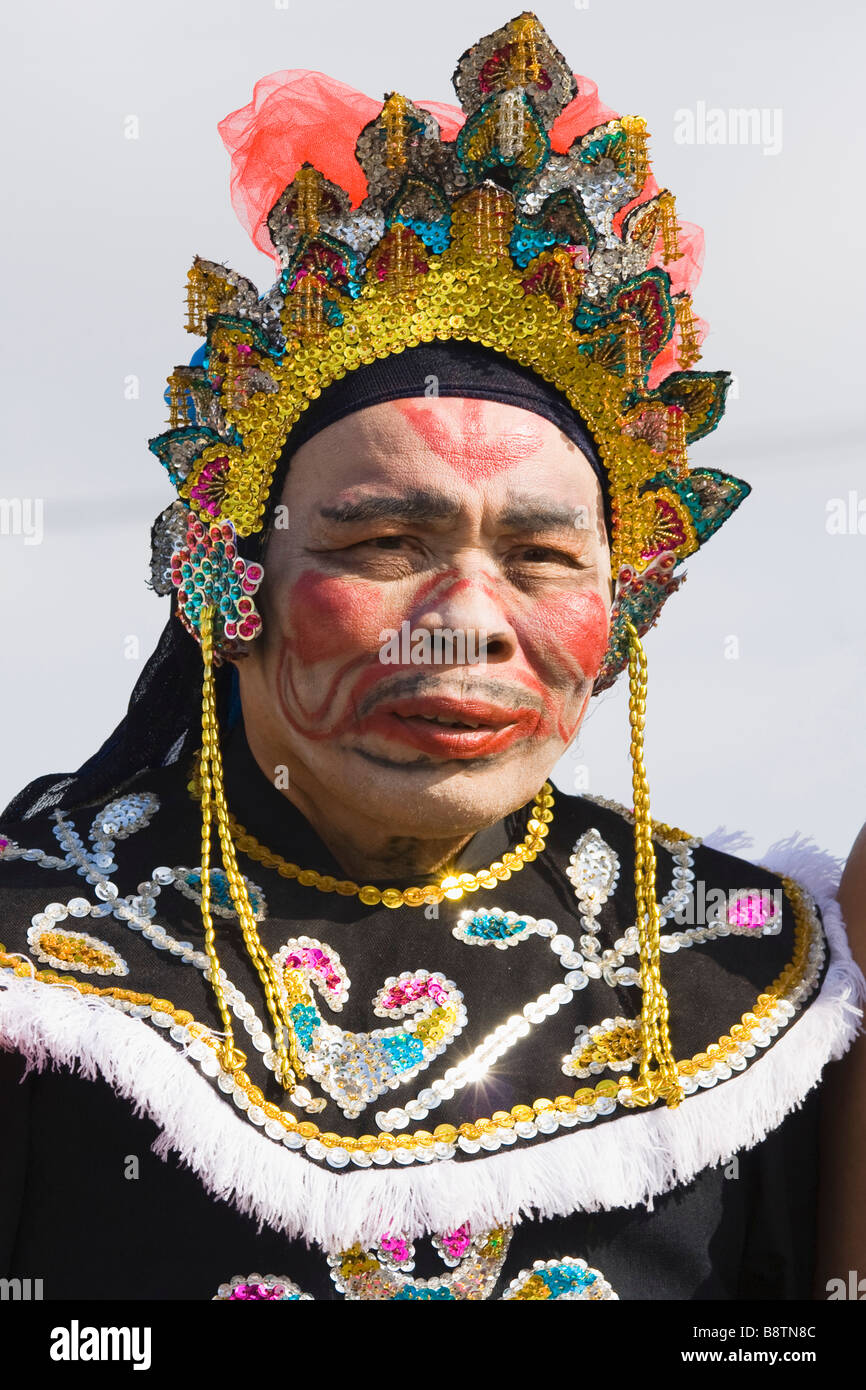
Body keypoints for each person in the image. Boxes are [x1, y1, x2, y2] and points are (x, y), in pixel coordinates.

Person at [0, 11, 862, 1302]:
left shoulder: (752, 976)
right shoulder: (31, 965)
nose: (467, 616)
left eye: (543, 556)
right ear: (230, 581)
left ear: (624, 614)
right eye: (385, 540)